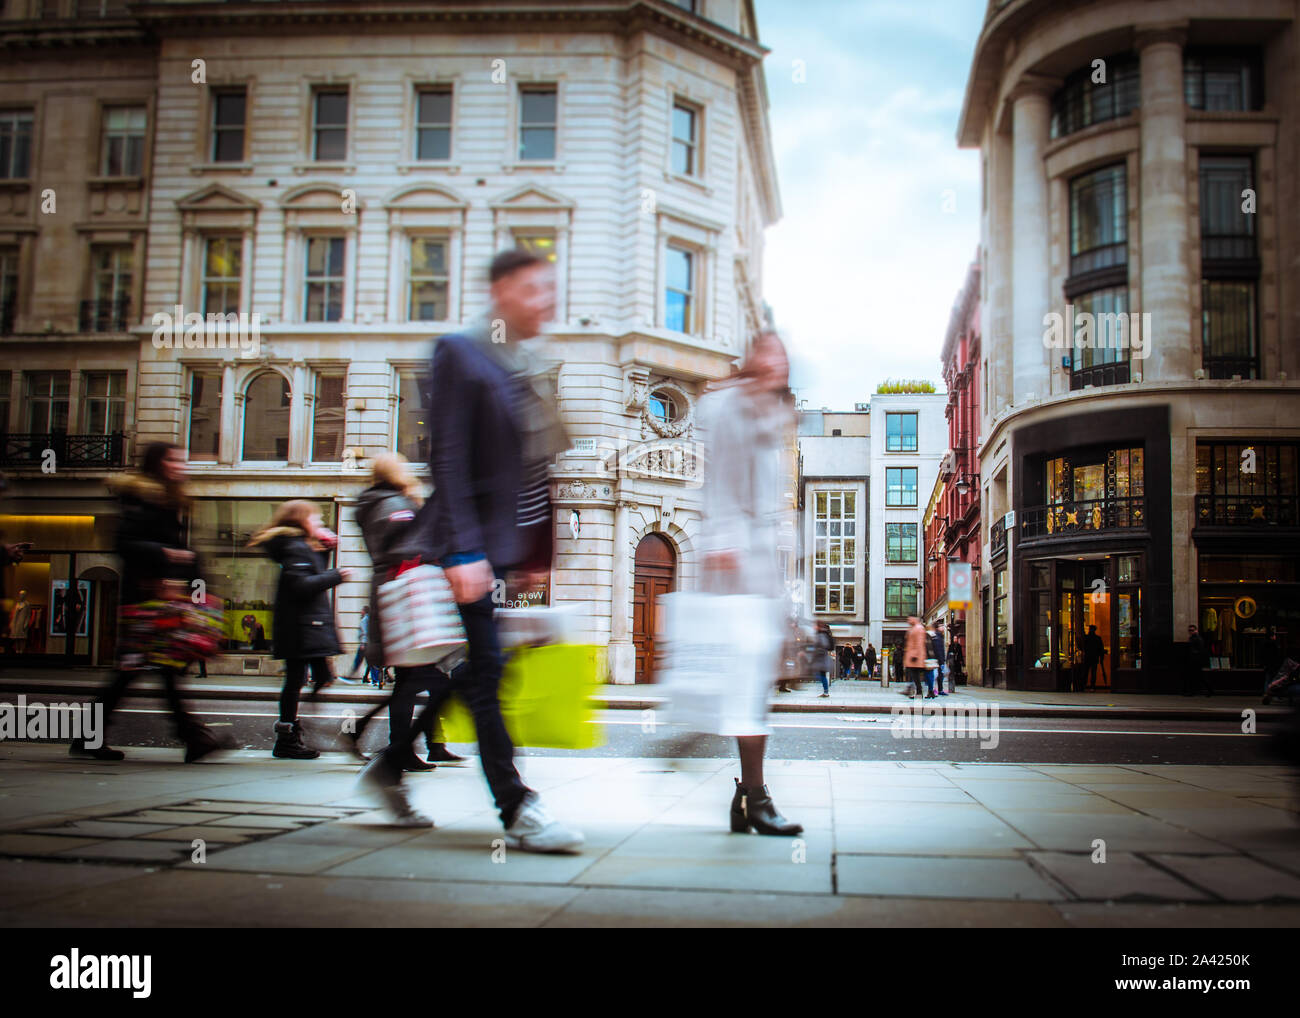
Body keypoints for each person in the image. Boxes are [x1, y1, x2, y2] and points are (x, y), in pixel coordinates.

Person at [359, 249, 583, 850]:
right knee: (486, 676)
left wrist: (538, 553)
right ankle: (517, 807)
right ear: (504, 289)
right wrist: (462, 552)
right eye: (537, 289)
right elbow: (448, 457)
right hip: (464, 548)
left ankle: (388, 767)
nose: (548, 302)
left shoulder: (524, 364)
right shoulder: (460, 352)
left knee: (485, 671)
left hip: (503, 550)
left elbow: (533, 471)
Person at [681, 328, 802, 836]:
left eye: (783, 357)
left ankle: (742, 792)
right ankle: (753, 795)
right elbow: (722, 485)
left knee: (751, 685)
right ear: (753, 360)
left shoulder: (766, 416)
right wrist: (724, 544)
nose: (777, 364)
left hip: (756, 569)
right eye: (768, 354)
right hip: (733, 568)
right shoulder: (732, 410)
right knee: (748, 685)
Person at [70, 442, 229, 762]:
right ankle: (191, 737)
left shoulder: (170, 500)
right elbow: (124, 543)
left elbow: (183, 551)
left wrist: (199, 587)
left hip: (162, 600)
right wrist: (167, 555)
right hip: (143, 601)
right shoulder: (143, 497)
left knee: (153, 669)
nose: (181, 466)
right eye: (173, 460)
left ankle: (190, 737)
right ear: (157, 463)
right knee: (138, 670)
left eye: (183, 460)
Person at [352, 452, 465, 770]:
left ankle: (424, 745)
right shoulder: (393, 505)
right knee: (427, 679)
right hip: (409, 599)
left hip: (399, 596)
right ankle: (405, 747)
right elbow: (410, 546)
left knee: (417, 678)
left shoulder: (381, 502)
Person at [249, 500, 352, 759]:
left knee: (311, 679)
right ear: (301, 520)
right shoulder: (294, 546)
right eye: (315, 519)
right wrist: (336, 575)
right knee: (297, 682)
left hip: (305, 627)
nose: (319, 524)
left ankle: (291, 732)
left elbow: (308, 575)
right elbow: (302, 586)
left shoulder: (298, 546)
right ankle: (288, 736)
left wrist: (324, 549)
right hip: (300, 628)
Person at [1185, 623, 1214, 697]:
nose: (1190, 631)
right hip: (1194, 660)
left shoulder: (1197, 638)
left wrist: (1196, 656)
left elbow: (1200, 649)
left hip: (1196, 660)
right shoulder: (1192, 638)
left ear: (1196, 630)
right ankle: (1194, 691)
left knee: (1199, 676)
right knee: (1196, 676)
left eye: (1192, 630)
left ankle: (1209, 690)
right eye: (1189, 630)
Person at [904, 616, 927, 699]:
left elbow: (919, 643)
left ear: (914, 618)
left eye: (909, 619)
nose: (908, 621)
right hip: (913, 656)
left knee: (915, 675)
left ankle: (918, 692)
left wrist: (915, 655)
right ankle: (916, 691)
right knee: (914, 675)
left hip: (915, 657)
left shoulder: (919, 628)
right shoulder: (914, 628)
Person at [1082, 624, 1107, 691]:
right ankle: (1092, 686)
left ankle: (1084, 685)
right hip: (1094, 657)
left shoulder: (1086, 638)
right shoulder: (1097, 638)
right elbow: (1101, 649)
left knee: (1086, 672)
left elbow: (1083, 647)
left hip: (1088, 657)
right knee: (1093, 672)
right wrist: (1101, 657)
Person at [814, 622, 833, 697]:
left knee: (821, 675)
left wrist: (817, 651)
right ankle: (826, 691)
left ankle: (826, 692)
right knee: (822, 675)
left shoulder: (821, 634)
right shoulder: (823, 634)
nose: (814, 627)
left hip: (821, 658)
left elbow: (824, 645)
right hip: (822, 658)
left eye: (815, 625)